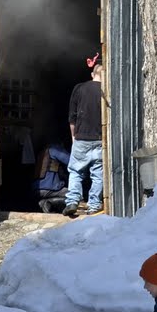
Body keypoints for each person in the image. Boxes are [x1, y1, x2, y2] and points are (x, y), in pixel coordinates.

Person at [64, 54, 105, 215]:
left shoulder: (79, 88)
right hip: (100, 139)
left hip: (82, 138)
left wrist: (74, 137)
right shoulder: (107, 91)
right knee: (97, 174)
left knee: (75, 172)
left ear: (92, 74)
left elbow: (72, 117)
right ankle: (94, 205)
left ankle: (73, 201)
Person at [35, 145, 70, 214]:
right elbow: (71, 162)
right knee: (76, 195)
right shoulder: (54, 150)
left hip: (36, 189)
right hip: (49, 187)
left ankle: (46, 203)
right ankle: (50, 202)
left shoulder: (41, 152)